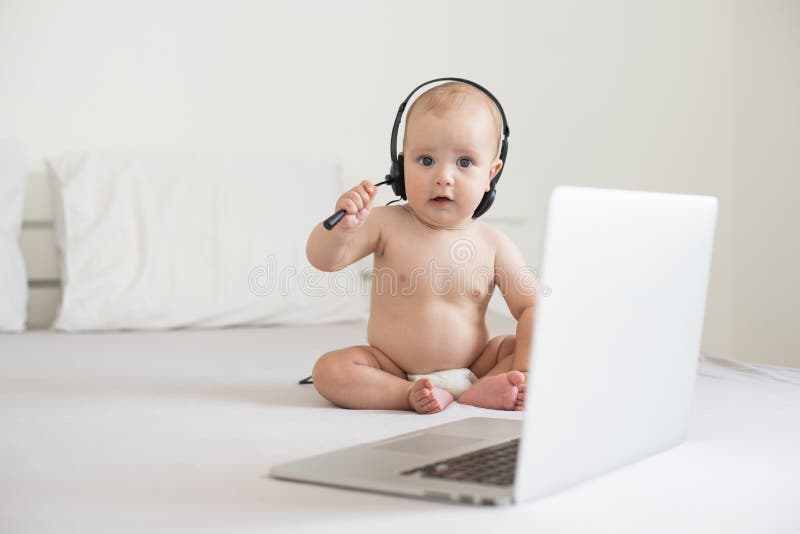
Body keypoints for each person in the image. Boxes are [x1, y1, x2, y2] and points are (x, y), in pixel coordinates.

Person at [307, 81, 535, 414]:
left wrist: (526, 371)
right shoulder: (385, 223)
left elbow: (532, 308)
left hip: (475, 365)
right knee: (329, 371)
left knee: (527, 348)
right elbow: (323, 260)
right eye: (426, 160)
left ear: (491, 174)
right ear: (400, 169)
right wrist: (342, 230)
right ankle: (409, 394)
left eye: (465, 163)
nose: (443, 176)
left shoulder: (495, 245)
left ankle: (484, 387)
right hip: (391, 366)